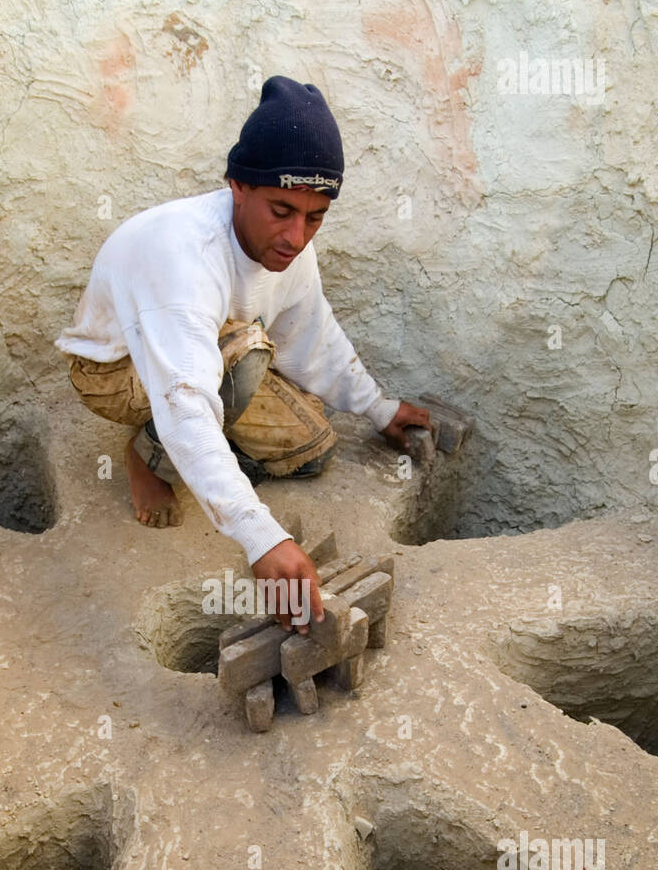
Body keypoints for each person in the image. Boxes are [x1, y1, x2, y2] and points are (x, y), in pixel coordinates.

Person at [55, 75, 431, 633]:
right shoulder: (182, 255)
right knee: (243, 355)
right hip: (115, 371)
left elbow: (313, 336)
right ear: (237, 186)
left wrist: (380, 409)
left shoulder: (292, 248)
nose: (297, 236)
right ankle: (151, 454)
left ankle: (196, 449)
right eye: (281, 210)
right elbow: (184, 396)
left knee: (312, 448)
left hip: (215, 353)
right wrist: (263, 538)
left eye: (315, 216)